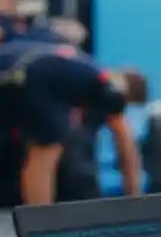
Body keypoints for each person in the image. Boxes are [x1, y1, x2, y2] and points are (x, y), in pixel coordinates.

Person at [0, 39, 148, 206]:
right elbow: (126, 148)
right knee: (45, 152)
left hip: (10, 71)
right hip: (37, 77)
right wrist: (134, 199)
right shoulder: (112, 90)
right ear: (128, 97)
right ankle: (40, 219)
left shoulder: (83, 68)